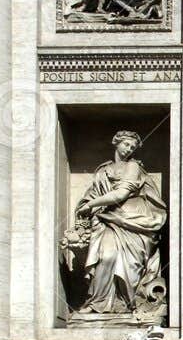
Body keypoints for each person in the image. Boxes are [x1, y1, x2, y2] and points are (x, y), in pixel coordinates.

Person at [65, 130, 167, 319]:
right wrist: (86, 205)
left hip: (133, 222)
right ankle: (98, 303)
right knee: (106, 257)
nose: (129, 149)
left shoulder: (133, 167)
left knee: (130, 265)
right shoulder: (103, 170)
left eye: (133, 147)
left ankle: (128, 304)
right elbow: (92, 194)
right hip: (107, 220)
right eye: (126, 144)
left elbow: (121, 194)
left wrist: (91, 205)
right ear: (116, 143)